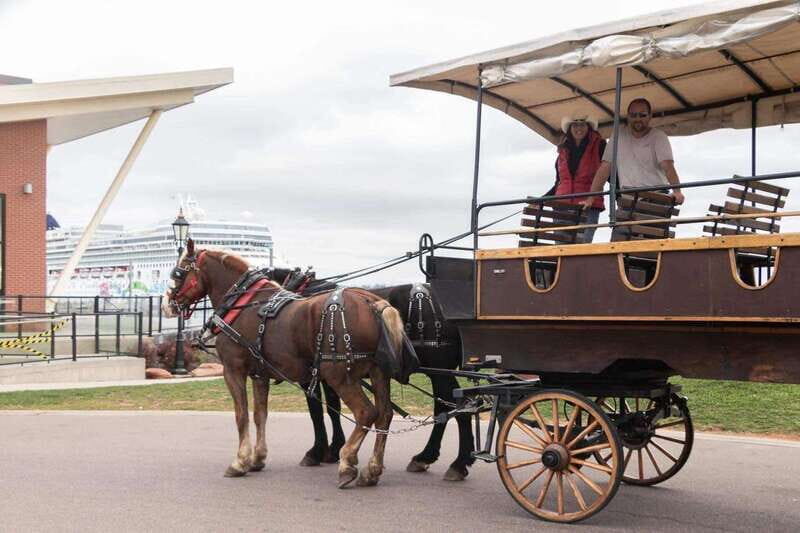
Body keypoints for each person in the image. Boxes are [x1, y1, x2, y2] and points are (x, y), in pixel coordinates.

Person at [582, 98, 685, 216]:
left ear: (650, 116)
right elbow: (604, 169)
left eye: (642, 115)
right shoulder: (618, 136)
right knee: (619, 233)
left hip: (656, 198)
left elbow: (667, 166)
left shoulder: (658, 136)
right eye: (633, 115)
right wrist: (591, 198)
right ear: (628, 116)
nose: (638, 119)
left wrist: (677, 191)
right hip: (628, 201)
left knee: (650, 231)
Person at [551, 113, 607, 243]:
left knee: (581, 249)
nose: (579, 128)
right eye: (575, 125)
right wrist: (540, 201)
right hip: (561, 207)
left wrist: (619, 196)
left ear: (588, 127)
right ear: (570, 128)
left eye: (582, 124)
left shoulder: (600, 146)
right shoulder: (563, 150)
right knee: (561, 251)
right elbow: (559, 183)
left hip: (587, 207)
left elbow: (609, 174)